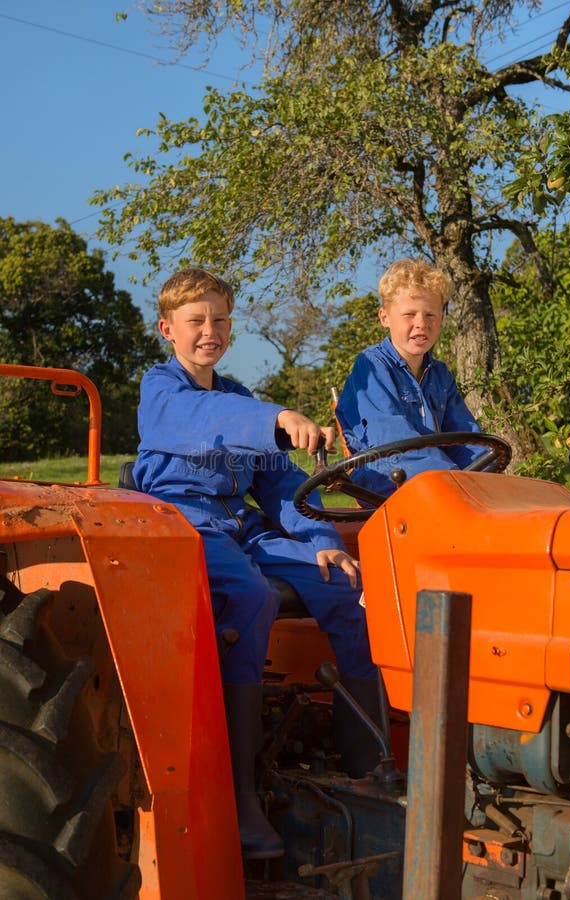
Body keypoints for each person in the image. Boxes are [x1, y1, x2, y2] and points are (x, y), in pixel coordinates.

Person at [133, 267, 382, 861]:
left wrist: (320, 536)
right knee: (253, 596)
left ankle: (372, 764)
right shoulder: (161, 390)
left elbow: (277, 484)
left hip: (238, 524)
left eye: (219, 320)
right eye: (196, 321)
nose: (209, 332)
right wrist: (274, 420)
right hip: (183, 521)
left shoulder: (238, 395)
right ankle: (239, 793)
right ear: (169, 328)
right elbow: (200, 423)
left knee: (343, 584)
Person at [335, 258, 482, 497]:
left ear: (443, 319)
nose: (421, 324)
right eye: (409, 314)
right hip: (385, 480)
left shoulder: (440, 374)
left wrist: (486, 476)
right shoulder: (371, 366)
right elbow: (391, 440)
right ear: (385, 318)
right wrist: (453, 482)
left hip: (435, 480)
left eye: (430, 315)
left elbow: (467, 439)